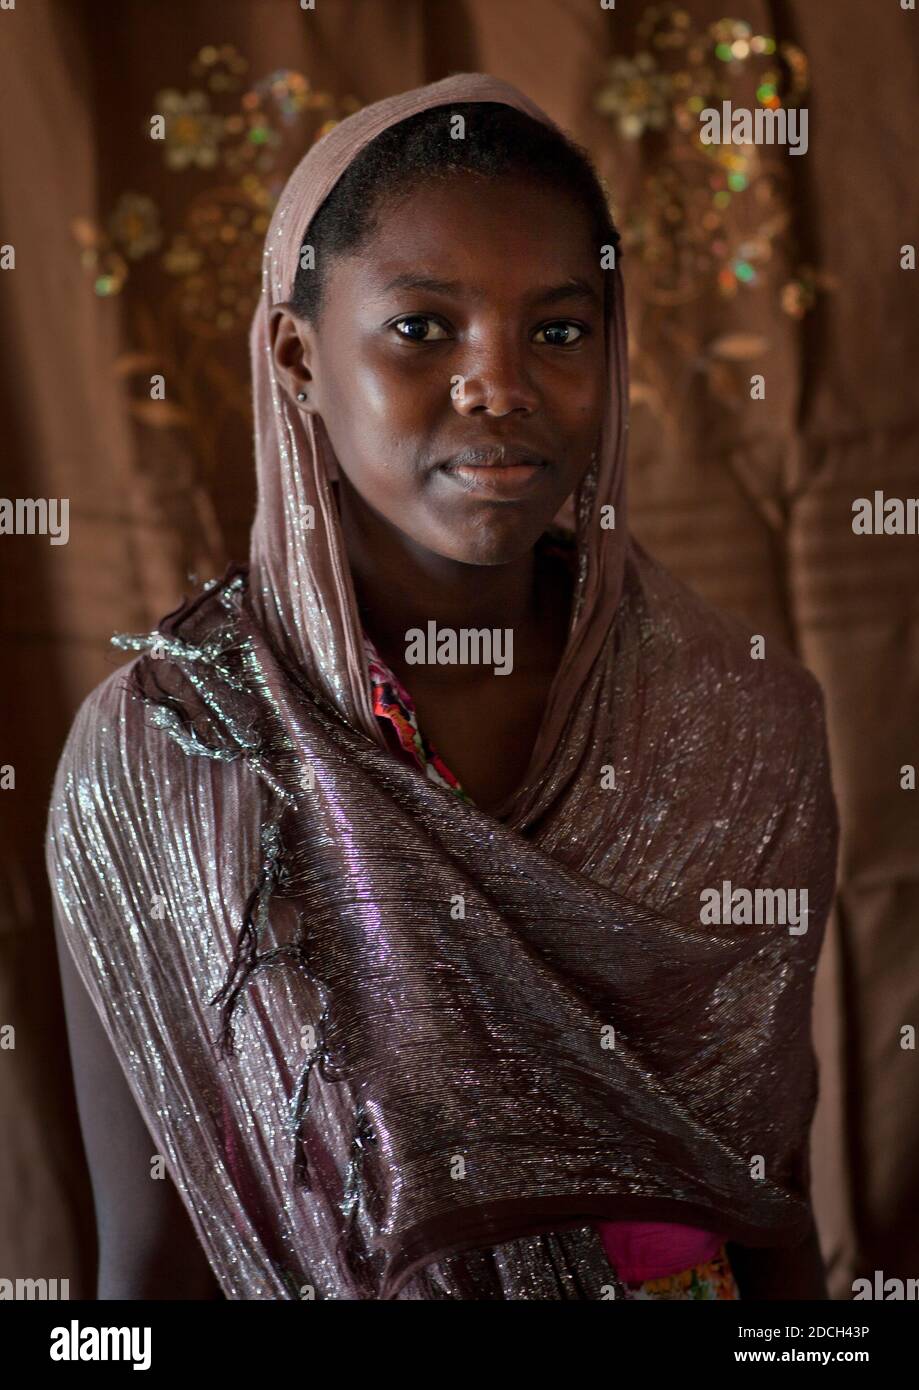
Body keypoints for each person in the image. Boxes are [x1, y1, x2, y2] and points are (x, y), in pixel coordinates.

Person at [47, 73, 838, 1301]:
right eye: (424, 329)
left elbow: (767, 1213)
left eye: (559, 331)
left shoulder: (736, 722)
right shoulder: (172, 756)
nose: (501, 384)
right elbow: (146, 1275)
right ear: (299, 358)